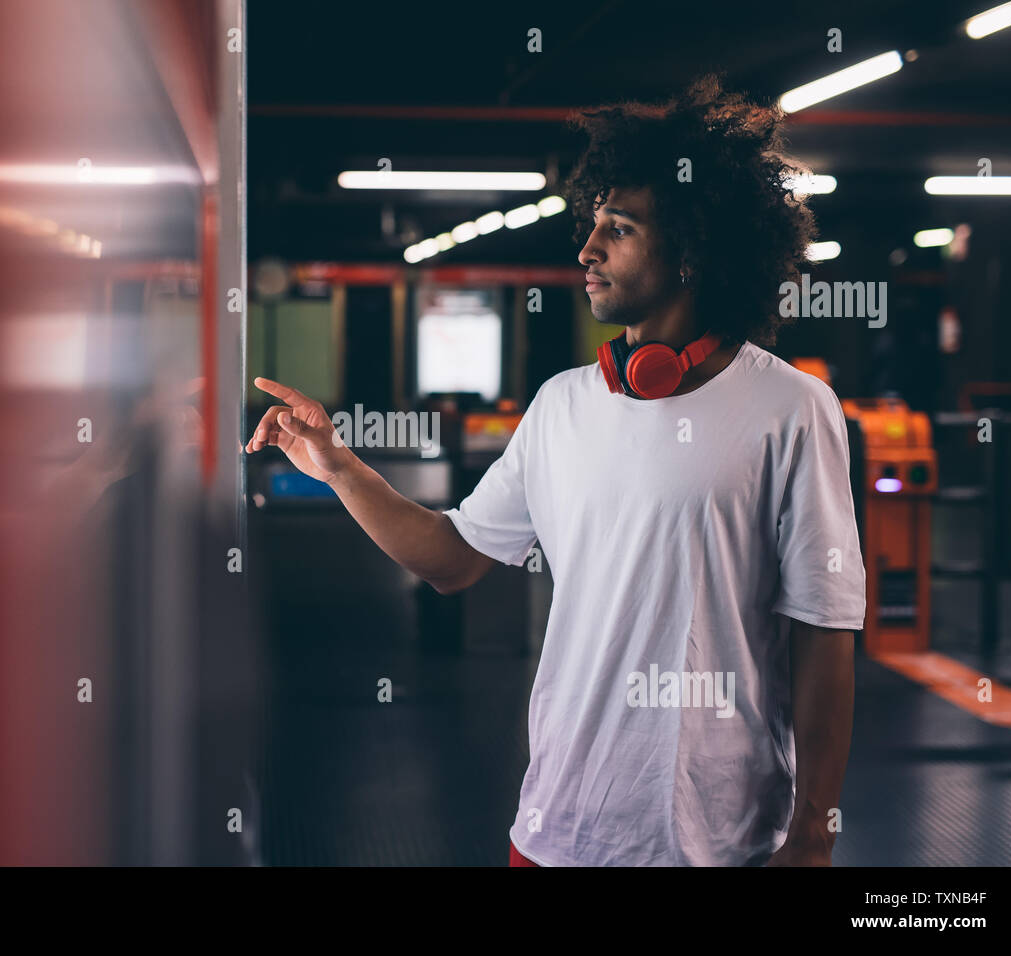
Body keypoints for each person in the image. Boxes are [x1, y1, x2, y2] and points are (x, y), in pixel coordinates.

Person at [245, 74, 865, 866]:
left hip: (722, 841)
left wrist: (812, 828)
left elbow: (825, 629)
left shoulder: (793, 409)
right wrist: (333, 466)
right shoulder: (561, 405)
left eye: (620, 228)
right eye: (593, 223)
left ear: (692, 250)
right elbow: (452, 558)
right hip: (559, 833)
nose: (588, 248)